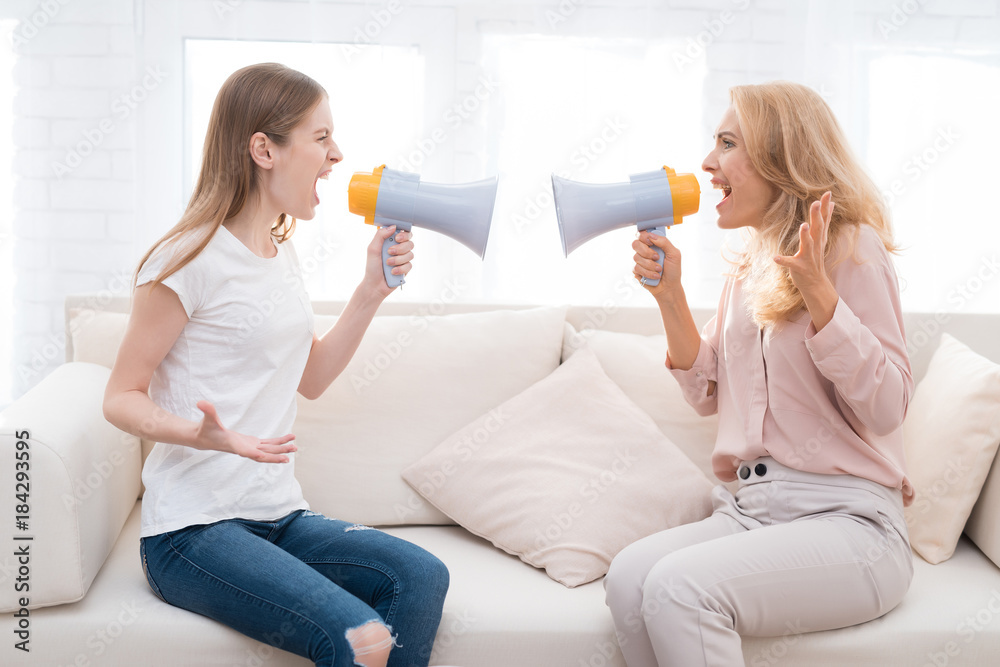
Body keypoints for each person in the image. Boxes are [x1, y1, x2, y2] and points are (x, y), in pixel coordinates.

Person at [103, 63, 449, 667]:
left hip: (279, 514)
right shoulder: (185, 258)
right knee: (357, 635)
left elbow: (309, 378)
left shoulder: (277, 248)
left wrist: (371, 290)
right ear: (264, 148)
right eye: (321, 138)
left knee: (421, 576)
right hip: (193, 531)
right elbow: (121, 396)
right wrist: (200, 434)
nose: (337, 154)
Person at [604, 81, 914, 666]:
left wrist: (820, 291)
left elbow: (888, 407)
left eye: (726, 143)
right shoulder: (749, 266)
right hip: (754, 510)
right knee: (628, 579)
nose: (706, 163)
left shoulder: (852, 248)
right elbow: (706, 393)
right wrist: (669, 296)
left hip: (852, 522)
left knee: (681, 588)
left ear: (781, 157)